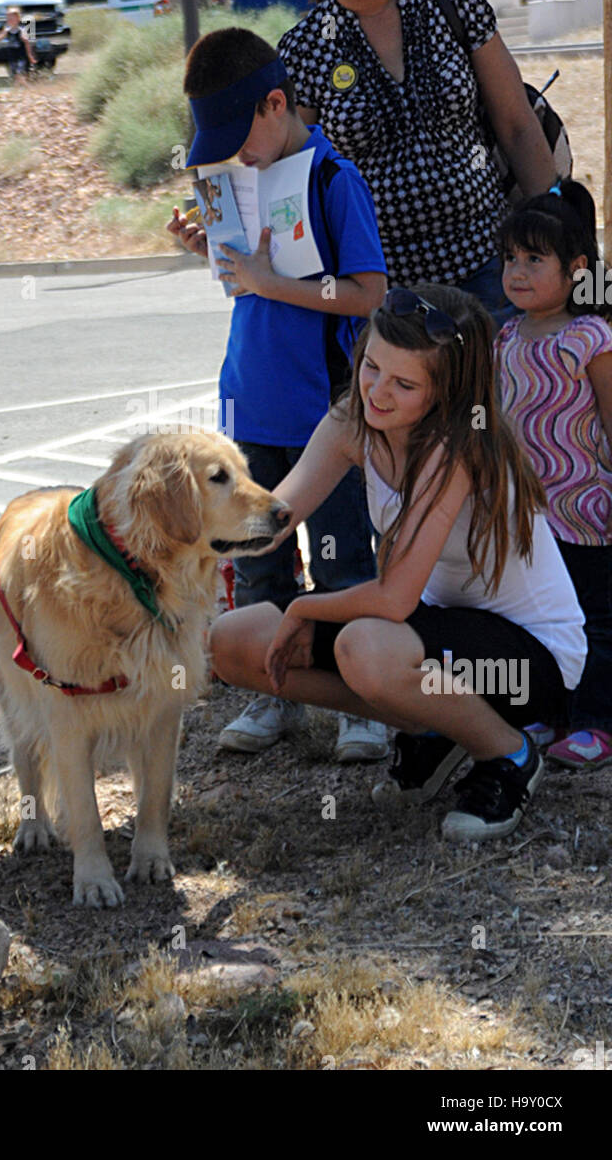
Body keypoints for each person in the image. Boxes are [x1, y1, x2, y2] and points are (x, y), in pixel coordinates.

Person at [210, 284, 587, 842]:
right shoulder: (351, 420)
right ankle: (431, 723)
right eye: (372, 367)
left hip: (534, 660)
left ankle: (510, 754)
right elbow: (274, 518)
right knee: (231, 641)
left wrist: (305, 608)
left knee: (364, 646)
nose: (377, 392)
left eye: (404, 383)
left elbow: (393, 599)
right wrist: (187, 542)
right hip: (440, 636)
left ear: (445, 393)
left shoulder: (457, 446)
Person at [168, 27, 390, 760]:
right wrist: (211, 253)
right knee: (259, 564)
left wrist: (274, 283)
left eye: (239, 136)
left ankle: (359, 701)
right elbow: (251, 291)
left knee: (341, 563)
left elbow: (368, 294)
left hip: (322, 418)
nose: (236, 155)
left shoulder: (334, 181)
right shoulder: (243, 183)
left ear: (276, 103)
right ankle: (273, 695)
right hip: (247, 411)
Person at [277, 0, 556, 322]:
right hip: (386, 302)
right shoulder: (303, 51)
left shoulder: (456, 4)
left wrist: (557, 238)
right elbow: (296, 180)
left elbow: (518, 127)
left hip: (492, 275)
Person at [494, 180, 612, 769]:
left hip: (588, 513)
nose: (517, 271)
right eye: (511, 259)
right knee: (541, 620)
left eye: (534, 259)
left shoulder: (591, 337)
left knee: (593, 619)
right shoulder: (505, 338)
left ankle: (596, 721)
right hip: (529, 517)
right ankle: (550, 711)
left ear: (576, 270)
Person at [0, 5, 35, 83]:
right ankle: (20, 87)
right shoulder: (7, 29)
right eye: (8, 18)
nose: (9, 20)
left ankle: (26, 86)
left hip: (21, 54)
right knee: (14, 72)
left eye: (12, 18)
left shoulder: (21, 30)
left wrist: (30, 55)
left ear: (18, 19)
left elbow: (27, 42)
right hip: (12, 54)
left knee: (20, 71)